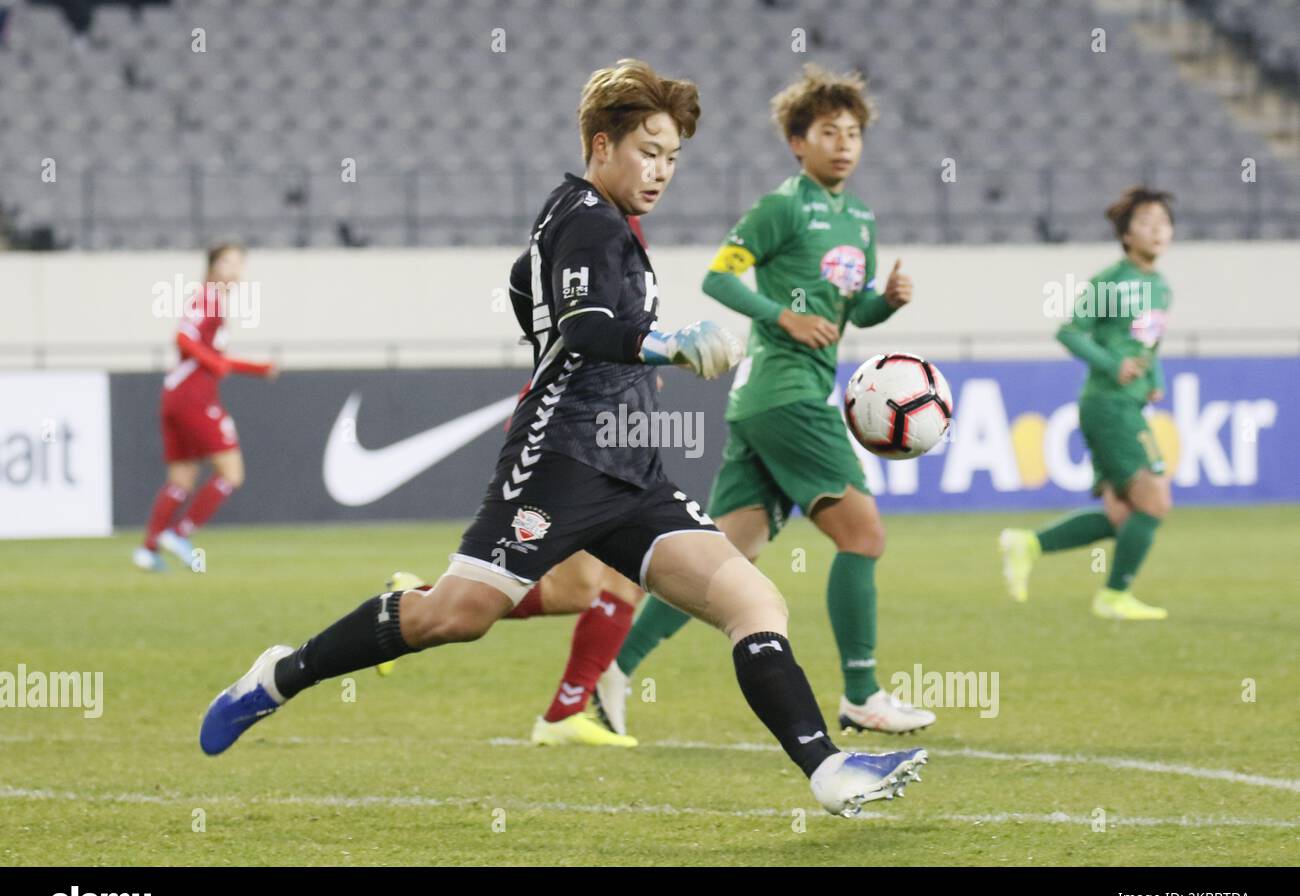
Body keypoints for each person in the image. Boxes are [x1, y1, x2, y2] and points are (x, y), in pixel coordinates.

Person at [198, 59, 926, 816]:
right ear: (601, 143)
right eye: (649, 151)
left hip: (632, 473)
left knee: (755, 600)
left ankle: (828, 768)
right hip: (560, 462)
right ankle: (278, 677)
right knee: (453, 615)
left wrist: (577, 339)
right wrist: (665, 344)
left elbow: (527, 282)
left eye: (673, 157)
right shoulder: (585, 217)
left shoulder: (596, 222)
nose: (662, 171)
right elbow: (584, 327)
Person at [590, 64, 934, 739]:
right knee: (863, 535)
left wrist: (883, 304)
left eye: (854, 133)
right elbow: (721, 277)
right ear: (797, 143)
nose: (843, 143)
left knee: (722, 560)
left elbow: (849, 311)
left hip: (769, 403)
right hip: (787, 395)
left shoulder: (859, 219)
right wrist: (783, 317)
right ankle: (862, 693)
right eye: (828, 132)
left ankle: (615, 667)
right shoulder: (784, 206)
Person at [1000, 187, 1175, 620]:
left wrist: (1155, 378)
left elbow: (1149, 344)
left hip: (1130, 405)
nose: (1157, 230)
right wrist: (1114, 365)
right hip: (1108, 404)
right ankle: (1114, 595)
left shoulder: (1160, 287)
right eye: (1146, 222)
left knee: (1122, 514)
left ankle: (1028, 544)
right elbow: (1070, 331)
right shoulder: (1111, 282)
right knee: (1154, 500)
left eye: (1163, 222)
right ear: (1125, 234)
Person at [134, 242, 276, 572]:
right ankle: (178, 534)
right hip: (193, 398)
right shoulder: (207, 298)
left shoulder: (213, 302)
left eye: (239, 262)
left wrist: (256, 369)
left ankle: (147, 549)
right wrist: (212, 360)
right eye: (229, 261)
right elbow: (183, 338)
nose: (235, 269)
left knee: (181, 479)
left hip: (175, 397)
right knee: (232, 472)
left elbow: (216, 361)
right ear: (213, 266)